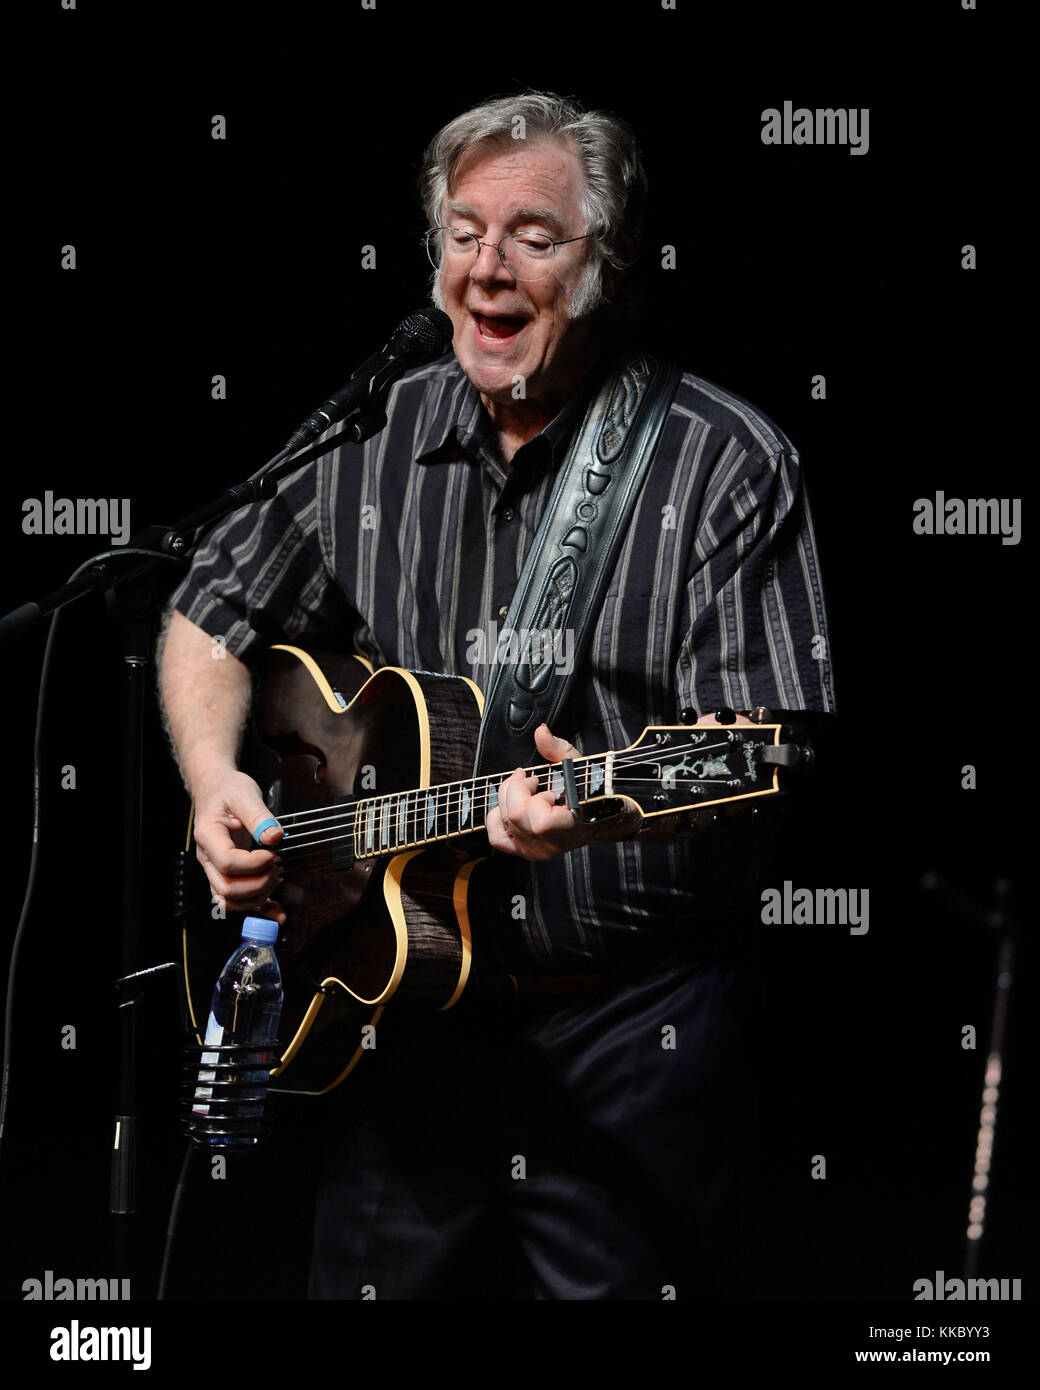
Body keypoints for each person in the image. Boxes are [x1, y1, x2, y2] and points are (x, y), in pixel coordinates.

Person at [158, 91, 836, 1299]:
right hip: (403, 1012)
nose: (487, 269)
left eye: (533, 236)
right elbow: (207, 612)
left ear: (608, 265)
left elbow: (763, 751)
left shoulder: (725, 460)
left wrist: (600, 806)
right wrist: (217, 783)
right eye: (462, 232)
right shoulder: (366, 436)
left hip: (630, 1030)